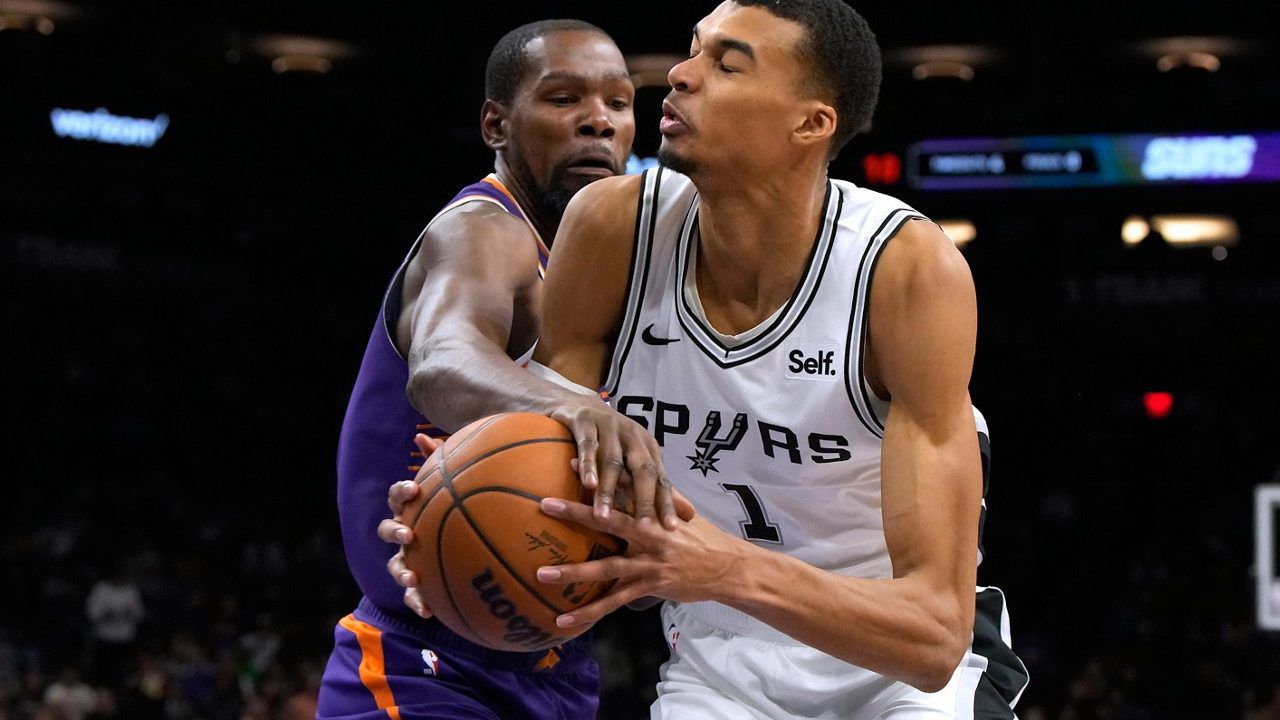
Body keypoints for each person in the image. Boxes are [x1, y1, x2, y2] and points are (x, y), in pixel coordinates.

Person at [382, 1, 1030, 716]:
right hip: (718, 664)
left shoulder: (903, 271)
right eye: (691, 53)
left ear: (810, 124)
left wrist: (725, 567)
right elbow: (555, 464)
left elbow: (934, 637)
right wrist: (454, 505)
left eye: (726, 64)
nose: (681, 77)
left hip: (895, 672)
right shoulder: (611, 229)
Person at [318, 19, 678, 720]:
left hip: (557, 666)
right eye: (564, 98)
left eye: (617, 102)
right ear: (497, 123)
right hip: (423, 667)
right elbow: (444, 362)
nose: (597, 123)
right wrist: (574, 408)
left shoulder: (603, 274)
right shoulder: (483, 228)